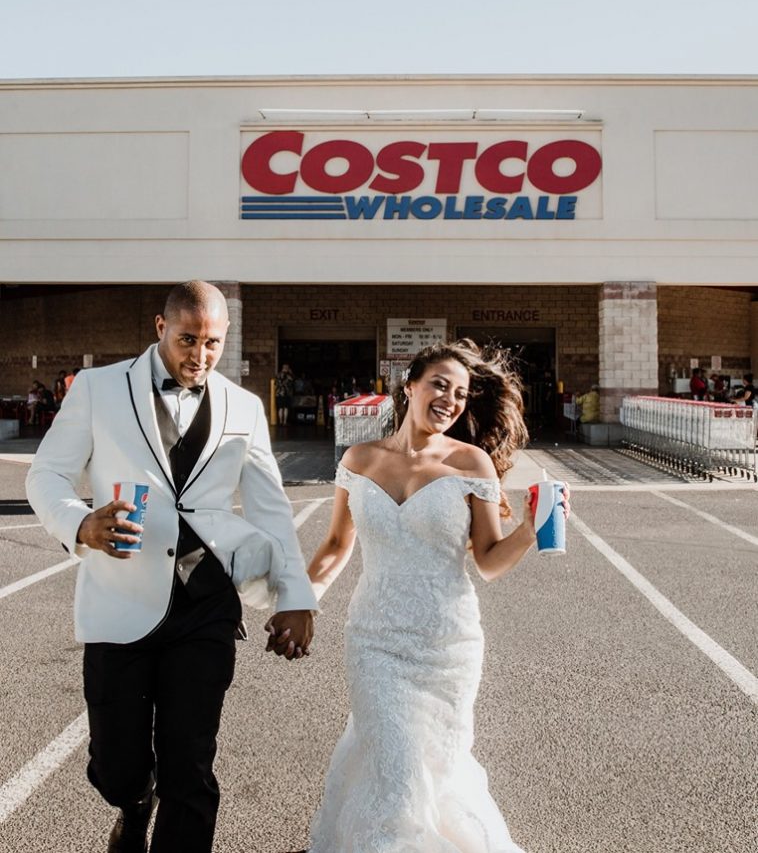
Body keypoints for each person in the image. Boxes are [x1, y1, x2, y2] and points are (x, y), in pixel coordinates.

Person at [26, 281, 317, 853]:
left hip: (206, 605)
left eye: (212, 344)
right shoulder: (98, 388)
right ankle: (135, 805)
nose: (200, 356)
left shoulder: (245, 406)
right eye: (188, 340)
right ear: (161, 328)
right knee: (116, 767)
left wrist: (296, 595)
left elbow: (270, 508)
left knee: (191, 764)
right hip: (121, 598)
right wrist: (80, 523)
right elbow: (46, 475)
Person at [300, 339, 568, 853]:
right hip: (374, 643)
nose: (449, 399)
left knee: (438, 772)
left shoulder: (473, 465)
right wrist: (301, 600)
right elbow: (336, 544)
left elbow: (488, 561)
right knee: (396, 774)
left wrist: (532, 528)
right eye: (439, 385)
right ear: (409, 387)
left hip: (447, 646)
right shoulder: (360, 459)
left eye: (461, 394)